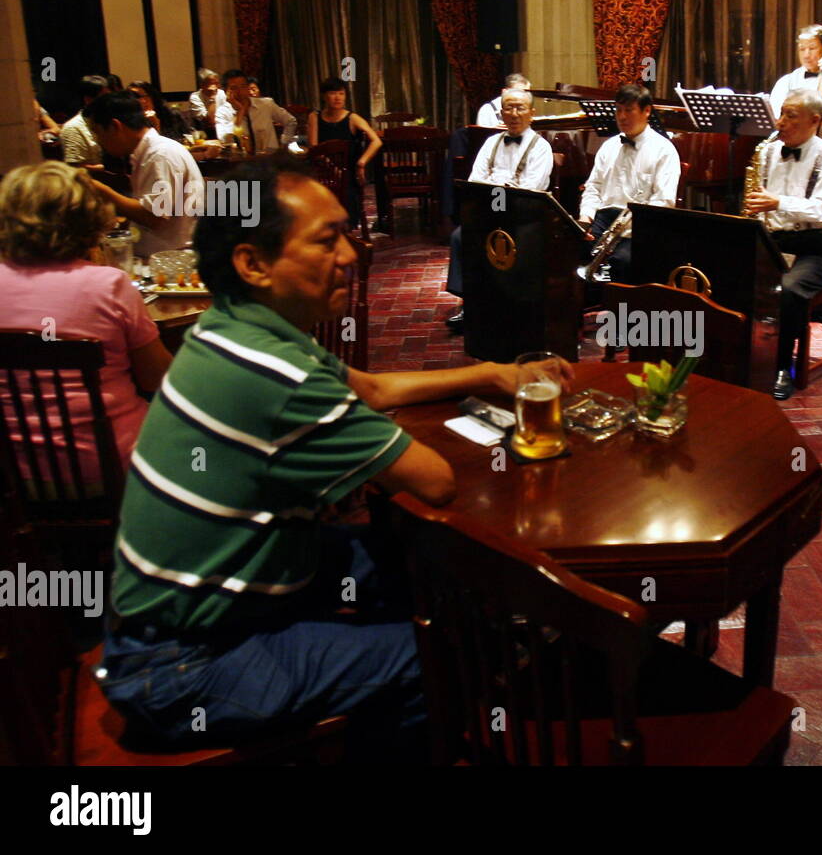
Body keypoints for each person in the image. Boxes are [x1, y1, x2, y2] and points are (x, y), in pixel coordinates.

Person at [96, 154, 572, 758]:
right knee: (437, 654)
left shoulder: (228, 327)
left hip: (186, 614)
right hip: (181, 668)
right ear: (253, 263)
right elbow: (435, 482)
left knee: (412, 560)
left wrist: (493, 374)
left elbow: (372, 388)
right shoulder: (274, 371)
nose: (350, 254)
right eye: (327, 240)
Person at [0, 162, 171, 473]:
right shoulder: (109, 285)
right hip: (113, 466)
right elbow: (156, 378)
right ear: (87, 219)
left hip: (18, 473)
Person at [743, 89, 822, 399]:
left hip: (813, 247)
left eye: (790, 116)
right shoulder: (768, 151)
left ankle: (780, 365)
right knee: (729, 273)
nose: (780, 122)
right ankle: (742, 353)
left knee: (787, 290)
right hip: (772, 240)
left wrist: (779, 202)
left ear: (815, 120)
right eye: (781, 114)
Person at [446, 88, 553, 332]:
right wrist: (499, 191)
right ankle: (470, 302)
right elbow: (476, 180)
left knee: (509, 239)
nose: (514, 114)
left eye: (520, 108)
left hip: (524, 215)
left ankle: (512, 307)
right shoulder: (490, 142)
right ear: (502, 113)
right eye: (509, 108)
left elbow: (530, 189)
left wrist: (497, 188)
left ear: (531, 113)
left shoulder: (541, 147)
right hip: (490, 209)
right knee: (460, 236)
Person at [577, 83, 680, 283]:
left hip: (639, 224)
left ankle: (621, 302)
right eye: (619, 110)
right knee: (576, 247)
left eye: (629, 110)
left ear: (647, 111)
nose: (622, 117)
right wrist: (585, 217)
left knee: (622, 261)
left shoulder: (664, 150)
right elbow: (594, 186)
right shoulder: (609, 146)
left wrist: (622, 231)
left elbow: (663, 201)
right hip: (604, 218)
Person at [86, 91, 204, 257]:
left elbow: (154, 217)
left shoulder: (160, 154)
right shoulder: (148, 152)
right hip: (160, 253)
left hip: (171, 258)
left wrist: (101, 191)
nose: (98, 141)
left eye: (97, 132)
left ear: (115, 126)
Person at [306, 76, 384, 230]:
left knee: (347, 191)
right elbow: (314, 149)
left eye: (341, 93)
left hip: (348, 173)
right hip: (323, 172)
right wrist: (332, 168)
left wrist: (361, 162)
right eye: (333, 93)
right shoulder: (314, 117)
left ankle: (347, 228)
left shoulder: (352, 118)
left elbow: (376, 141)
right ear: (324, 96)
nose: (338, 98)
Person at [215, 68, 296, 153]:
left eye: (243, 86)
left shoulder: (266, 104)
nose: (240, 92)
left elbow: (290, 121)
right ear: (225, 91)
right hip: (241, 159)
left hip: (269, 157)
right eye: (234, 88)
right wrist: (240, 112)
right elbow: (225, 140)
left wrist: (284, 144)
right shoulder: (222, 112)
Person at [61, 75, 109, 167]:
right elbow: (75, 167)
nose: (108, 102)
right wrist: (105, 167)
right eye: (104, 98)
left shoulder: (106, 120)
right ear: (88, 99)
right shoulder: (73, 128)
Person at [188, 67, 225, 138]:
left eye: (217, 83)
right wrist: (212, 99)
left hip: (222, 129)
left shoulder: (221, 93)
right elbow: (210, 121)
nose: (216, 87)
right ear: (202, 85)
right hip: (204, 133)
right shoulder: (195, 97)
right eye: (212, 83)